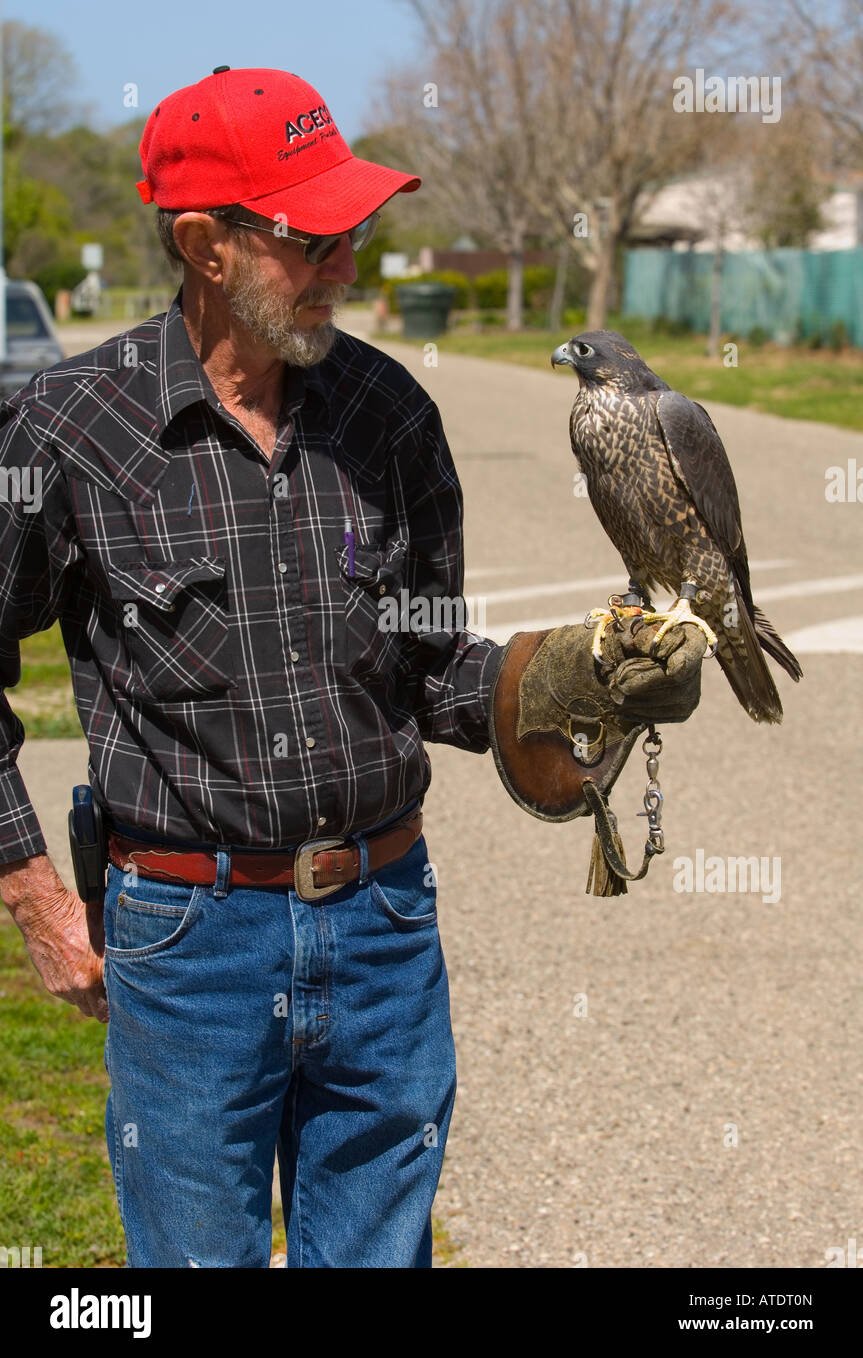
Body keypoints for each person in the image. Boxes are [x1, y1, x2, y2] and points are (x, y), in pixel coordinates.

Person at [0, 67, 706, 1269]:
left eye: (356, 232)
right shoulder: (71, 426)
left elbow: (428, 663)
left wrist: (557, 684)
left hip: (383, 922)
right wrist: (34, 898)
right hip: (185, 937)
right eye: (311, 238)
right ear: (202, 245)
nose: (347, 264)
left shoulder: (389, 413)